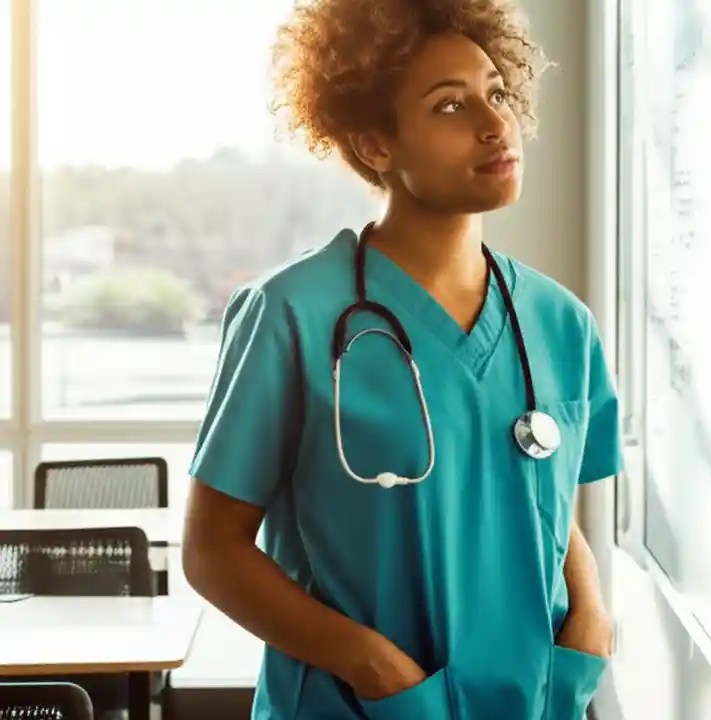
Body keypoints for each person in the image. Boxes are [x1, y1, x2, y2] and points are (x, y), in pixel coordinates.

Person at [181, 1, 622, 717]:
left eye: (497, 92)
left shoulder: (559, 321)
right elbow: (212, 551)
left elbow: (545, 501)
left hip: (535, 698)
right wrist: (368, 664)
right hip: (362, 704)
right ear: (375, 144)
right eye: (450, 105)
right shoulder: (291, 315)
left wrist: (591, 610)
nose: (494, 123)